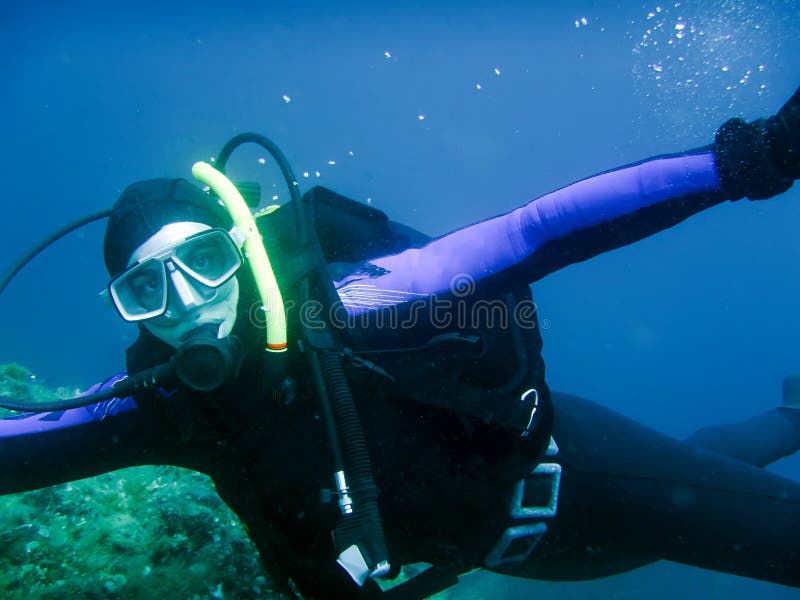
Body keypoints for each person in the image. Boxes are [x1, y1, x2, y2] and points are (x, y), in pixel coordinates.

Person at [0, 87, 799, 599]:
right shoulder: (166, 404)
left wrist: (750, 158)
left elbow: (535, 230)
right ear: (127, 310)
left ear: (242, 252)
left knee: (751, 509)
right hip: (527, 559)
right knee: (712, 456)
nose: (186, 303)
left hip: (585, 475)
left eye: (204, 261)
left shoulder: (351, 304)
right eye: (147, 286)